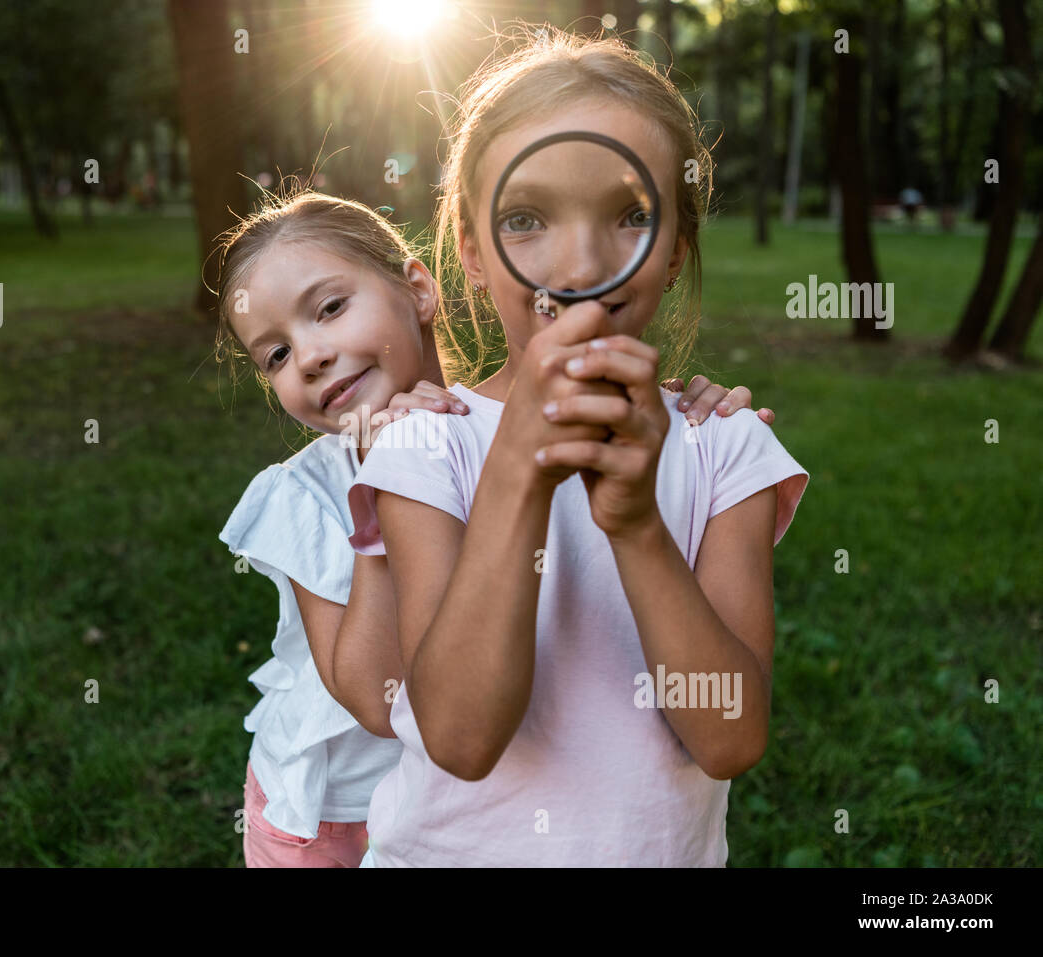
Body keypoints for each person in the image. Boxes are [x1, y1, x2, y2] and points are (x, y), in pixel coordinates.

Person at [342, 25, 809, 866]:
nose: (582, 261)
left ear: (676, 253)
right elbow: (460, 735)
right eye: (526, 218)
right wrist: (518, 468)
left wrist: (635, 525)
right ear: (472, 256)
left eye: (631, 215)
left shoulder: (725, 446)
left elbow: (730, 738)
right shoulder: (426, 445)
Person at [213, 187, 768, 866]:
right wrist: (380, 478)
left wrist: (685, 411)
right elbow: (375, 698)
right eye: (275, 355)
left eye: (330, 308)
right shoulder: (300, 495)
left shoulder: (482, 434)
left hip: (441, 805)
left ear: (419, 289)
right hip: (323, 816)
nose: (310, 356)